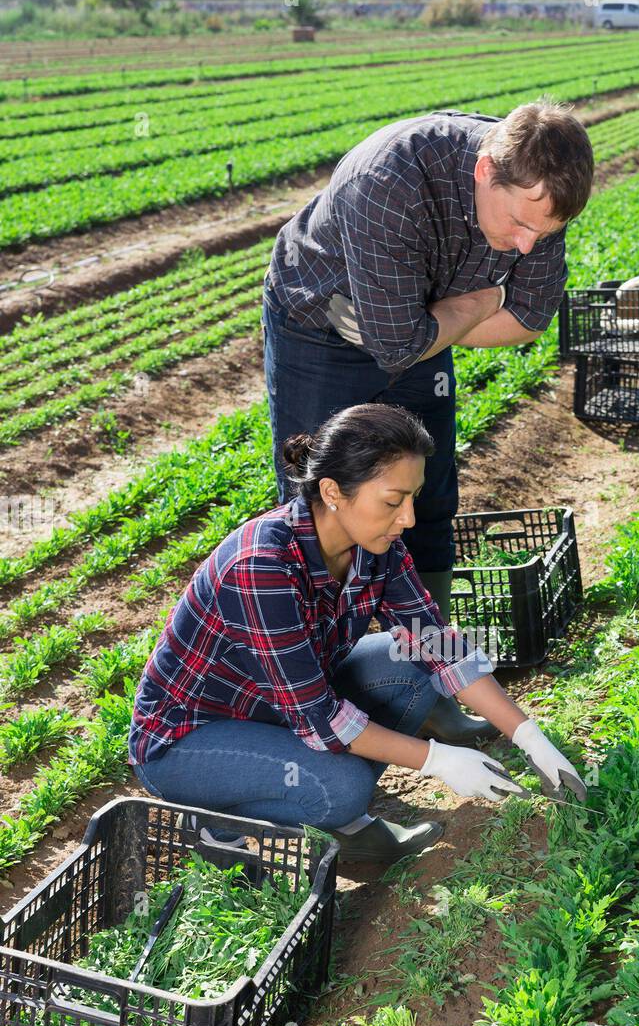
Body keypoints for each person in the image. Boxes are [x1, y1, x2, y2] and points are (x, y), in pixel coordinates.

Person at [262, 99, 594, 747]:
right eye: (520, 225)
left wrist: (435, 324)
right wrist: (483, 299)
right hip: (319, 330)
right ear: (483, 172)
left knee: (427, 498)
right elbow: (398, 343)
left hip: (417, 331)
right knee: (321, 514)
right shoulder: (389, 182)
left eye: (543, 233)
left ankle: (432, 694)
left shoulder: (537, 192)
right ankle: (310, 710)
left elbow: (528, 319)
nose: (529, 244)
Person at [127, 404, 587, 864]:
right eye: (392, 501)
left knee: (408, 665)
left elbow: (439, 646)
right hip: (190, 740)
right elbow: (320, 719)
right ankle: (221, 819)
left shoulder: (374, 547)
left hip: (277, 710)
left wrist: (528, 736)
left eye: (413, 498)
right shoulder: (261, 567)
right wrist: (437, 760)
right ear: (332, 491)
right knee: (343, 787)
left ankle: (319, 801)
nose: (407, 517)